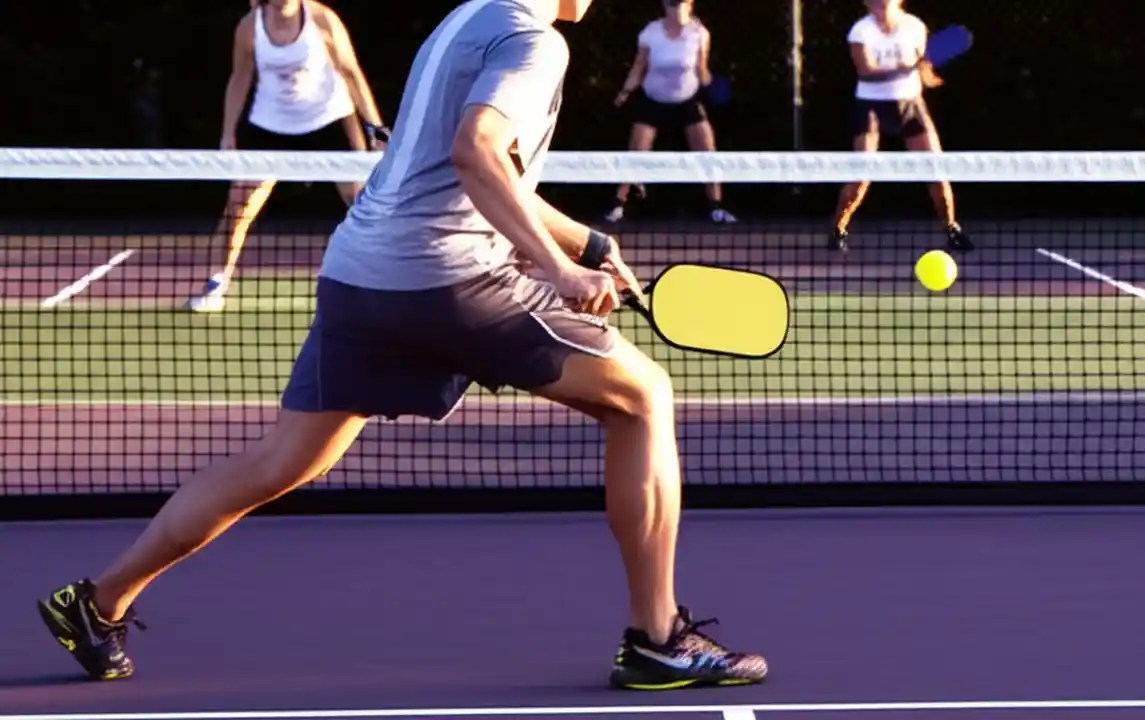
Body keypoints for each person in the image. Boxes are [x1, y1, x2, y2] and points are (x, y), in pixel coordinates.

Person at [36, 0, 769, 692]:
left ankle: (97, 603)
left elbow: (481, 168)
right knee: (643, 398)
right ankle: (657, 638)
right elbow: (477, 153)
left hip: (359, 275)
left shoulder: (463, 19)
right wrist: (556, 268)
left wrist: (590, 244)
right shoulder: (536, 41)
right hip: (444, 279)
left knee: (280, 460)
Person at [186, 0, 387, 312]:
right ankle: (216, 282)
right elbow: (240, 77)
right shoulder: (250, 26)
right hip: (271, 124)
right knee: (239, 205)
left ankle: (385, 281)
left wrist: (375, 127)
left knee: (362, 204)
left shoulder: (323, 19)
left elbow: (350, 72)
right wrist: (228, 132)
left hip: (329, 118)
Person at [828, 0, 973, 254]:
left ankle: (951, 228)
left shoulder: (915, 26)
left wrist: (926, 74)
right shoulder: (860, 31)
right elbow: (866, 72)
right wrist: (905, 68)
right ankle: (838, 229)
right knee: (861, 175)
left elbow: (923, 66)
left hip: (910, 105)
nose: (880, 3)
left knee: (936, 170)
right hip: (871, 107)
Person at [604, 0, 736, 225]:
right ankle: (618, 206)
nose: (675, 7)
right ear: (665, 6)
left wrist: (714, 88)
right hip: (652, 100)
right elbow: (638, 67)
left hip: (687, 101)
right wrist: (624, 93)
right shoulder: (650, 33)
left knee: (708, 153)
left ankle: (716, 208)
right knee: (635, 154)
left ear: (690, 5)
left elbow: (701, 70)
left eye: (680, 3)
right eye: (672, 4)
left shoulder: (699, 34)